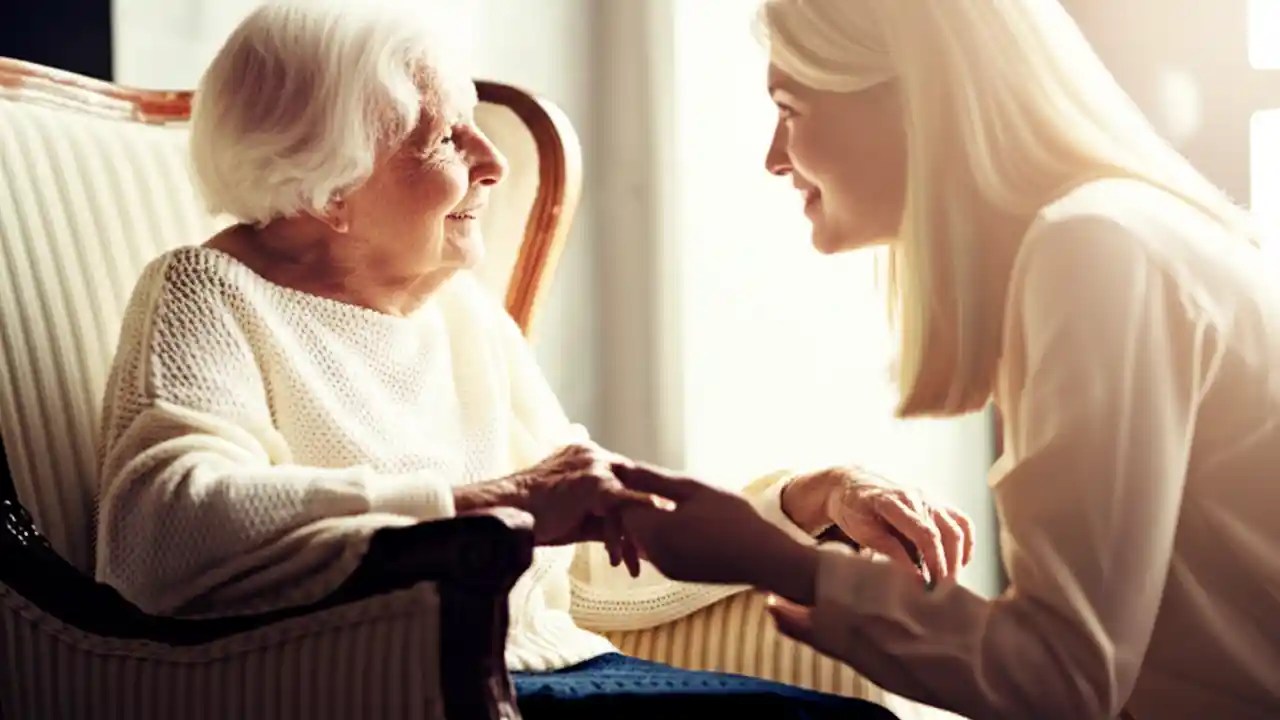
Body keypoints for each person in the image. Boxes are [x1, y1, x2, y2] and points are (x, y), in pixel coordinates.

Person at [92, 1, 969, 717]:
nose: (493, 163)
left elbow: (588, 550)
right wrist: (487, 505)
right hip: (389, 688)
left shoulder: (459, 314)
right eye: (445, 138)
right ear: (327, 186)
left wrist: (806, 497)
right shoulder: (208, 293)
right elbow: (164, 531)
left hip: (552, 671)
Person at [614, 1, 1280, 719]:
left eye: (790, 109)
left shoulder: (1095, 248)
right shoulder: (1107, 233)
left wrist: (776, 561)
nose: (775, 157)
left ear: (917, 104)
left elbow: (1064, 678)